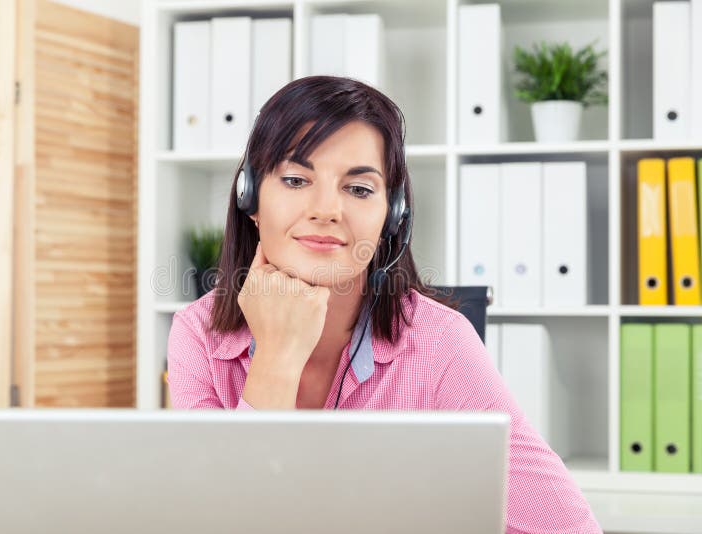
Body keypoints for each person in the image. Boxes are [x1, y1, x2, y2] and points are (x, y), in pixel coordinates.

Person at [167, 75, 602, 533]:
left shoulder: (439, 342)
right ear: (250, 199)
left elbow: (568, 525)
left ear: (392, 215)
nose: (326, 210)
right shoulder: (198, 334)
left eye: (358, 189)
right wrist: (276, 357)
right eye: (296, 179)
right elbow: (226, 520)